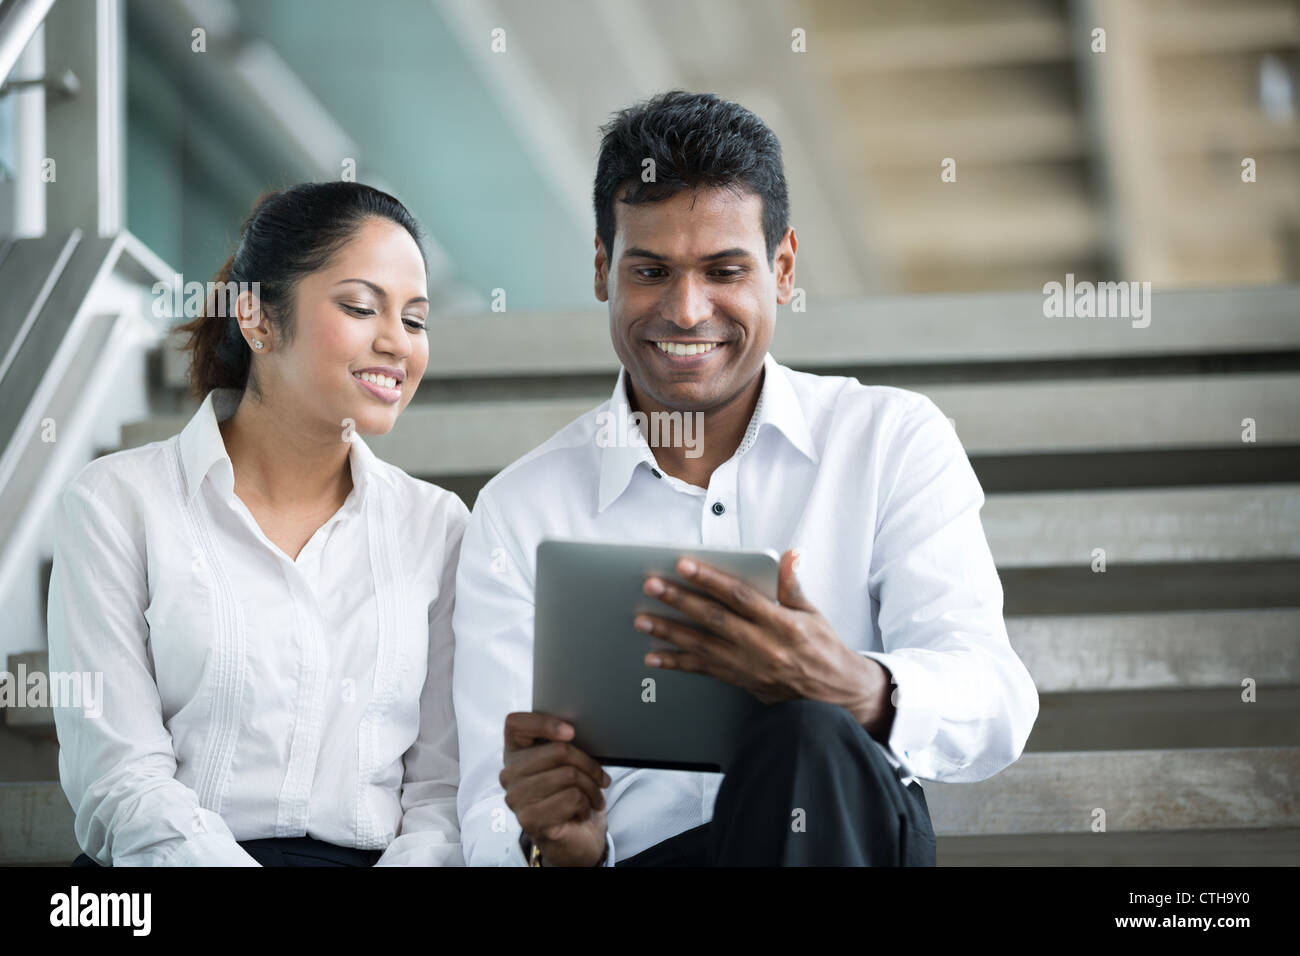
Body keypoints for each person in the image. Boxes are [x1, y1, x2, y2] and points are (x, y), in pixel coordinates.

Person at [452, 91, 1040, 866]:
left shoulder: (889, 439)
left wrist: (855, 685)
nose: (687, 311)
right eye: (651, 270)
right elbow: (488, 809)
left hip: (838, 837)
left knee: (809, 731)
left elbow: (994, 700)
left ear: (782, 267)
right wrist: (557, 848)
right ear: (603, 269)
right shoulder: (521, 510)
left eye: (724, 270)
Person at [47, 182, 466, 866]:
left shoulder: (438, 528)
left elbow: (442, 792)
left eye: (416, 320)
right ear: (257, 319)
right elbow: (121, 780)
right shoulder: (115, 503)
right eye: (361, 307)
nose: (397, 343)